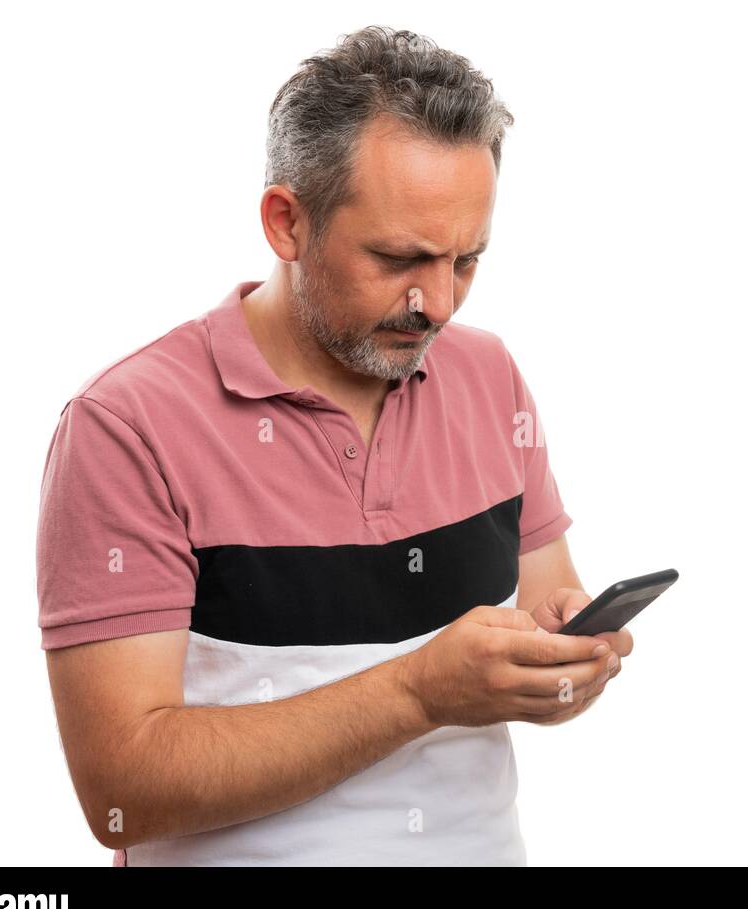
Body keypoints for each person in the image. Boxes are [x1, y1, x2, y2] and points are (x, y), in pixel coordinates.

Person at [35, 25, 632, 866]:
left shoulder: (490, 376)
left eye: (467, 259)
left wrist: (564, 660)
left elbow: (548, 610)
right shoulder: (126, 427)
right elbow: (122, 793)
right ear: (287, 222)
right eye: (399, 258)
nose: (439, 305)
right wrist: (419, 693)